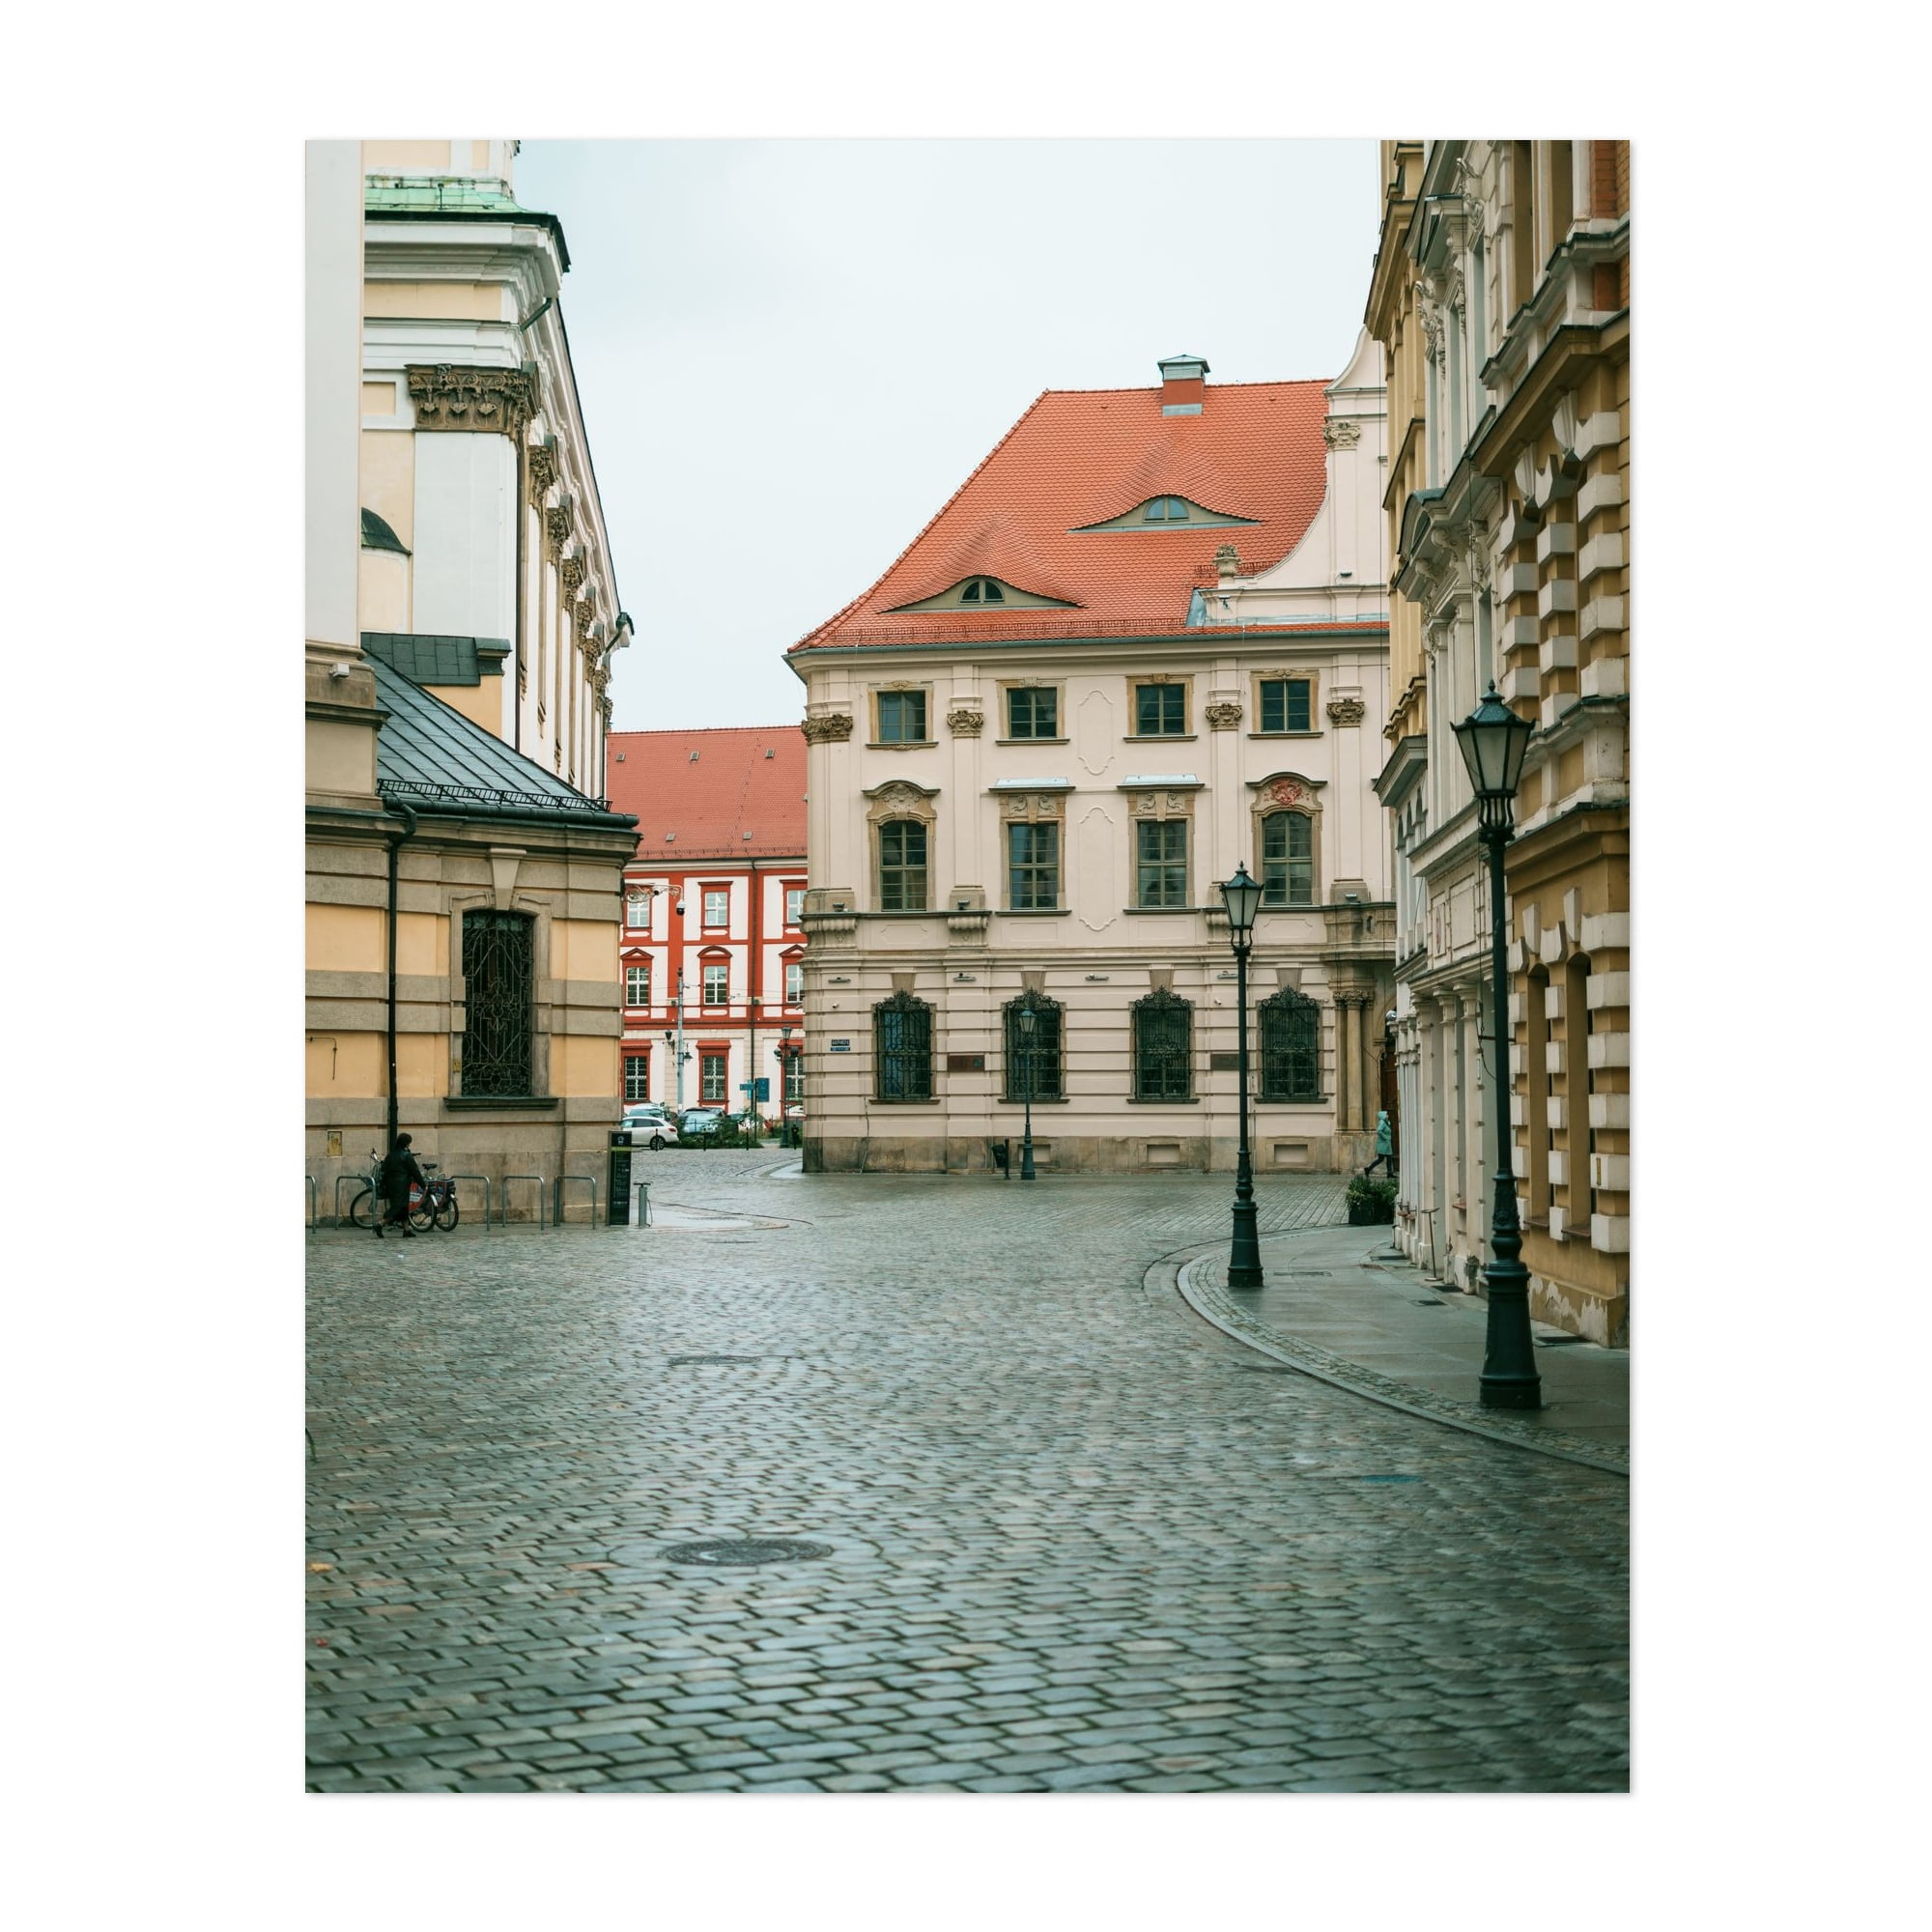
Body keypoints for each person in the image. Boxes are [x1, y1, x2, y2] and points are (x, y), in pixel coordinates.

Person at [375, 1132, 426, 1238]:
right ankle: (380, 1224)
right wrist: (422, 1184)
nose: (409, 1145)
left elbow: (384, 1169)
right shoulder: (406, 1155)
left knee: (403, 1208)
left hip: (391, 1185)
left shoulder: (391, 1154)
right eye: (409, 1143)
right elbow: (415, 1171)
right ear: (406, 1143)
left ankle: (406, 1230)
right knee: (398, 1208)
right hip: (402, 1185)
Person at [1363, 1109, 1395, 1179]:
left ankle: (1390, 1173)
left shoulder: (1386, 1122)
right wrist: (1385, 1138)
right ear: (1383, 1116)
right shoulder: (1382, 1122)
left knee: (1389, 1158)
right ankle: (1368, 1169)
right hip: (1383, 1144)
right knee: (1381, 1159)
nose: (1387, 1115)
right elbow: (1379, 1131)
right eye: (1386, 1114)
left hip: (1387, 1144)